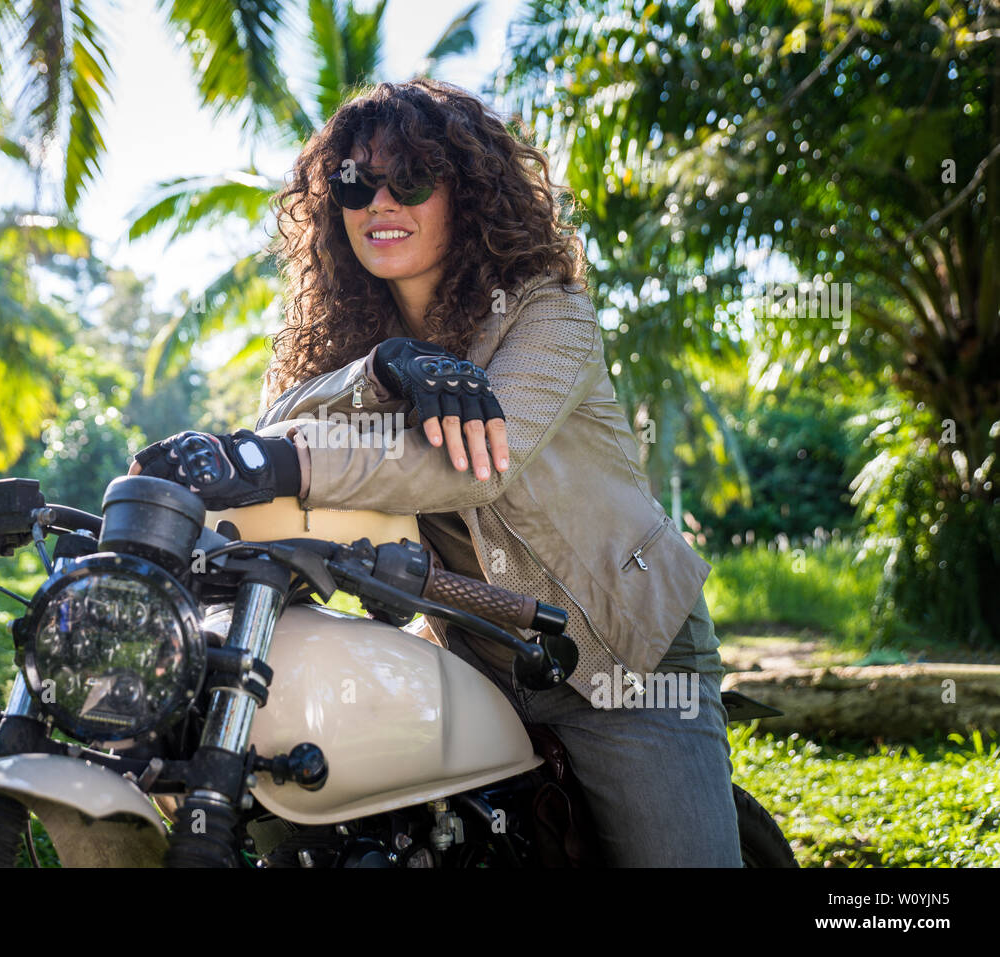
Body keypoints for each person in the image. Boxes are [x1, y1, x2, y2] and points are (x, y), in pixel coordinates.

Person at [131, 78, 740, 867]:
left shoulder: (548, 314)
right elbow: (286, 418)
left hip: (623, 661)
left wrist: (266, 459)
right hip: (473, 652)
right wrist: (380, 368)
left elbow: (475, 467)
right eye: (354, 183)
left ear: (468, 194)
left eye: (410, 178)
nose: (380, 202)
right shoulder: (353, 342)